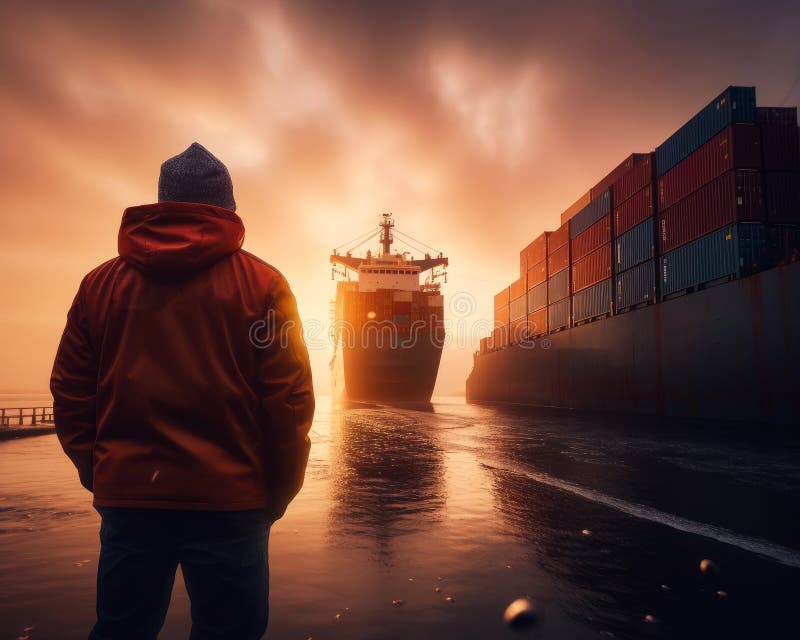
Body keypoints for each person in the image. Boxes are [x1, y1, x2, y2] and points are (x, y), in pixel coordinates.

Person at [50, 142, 314, 640]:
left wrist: (102, 471)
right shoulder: (265, 285)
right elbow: (289, 400)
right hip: (232, 501)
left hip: (129, 497)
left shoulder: (98, 286)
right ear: (228, 209)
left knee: (121, 629)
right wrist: (277, 490)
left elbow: (70, 391)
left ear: (162, 203)